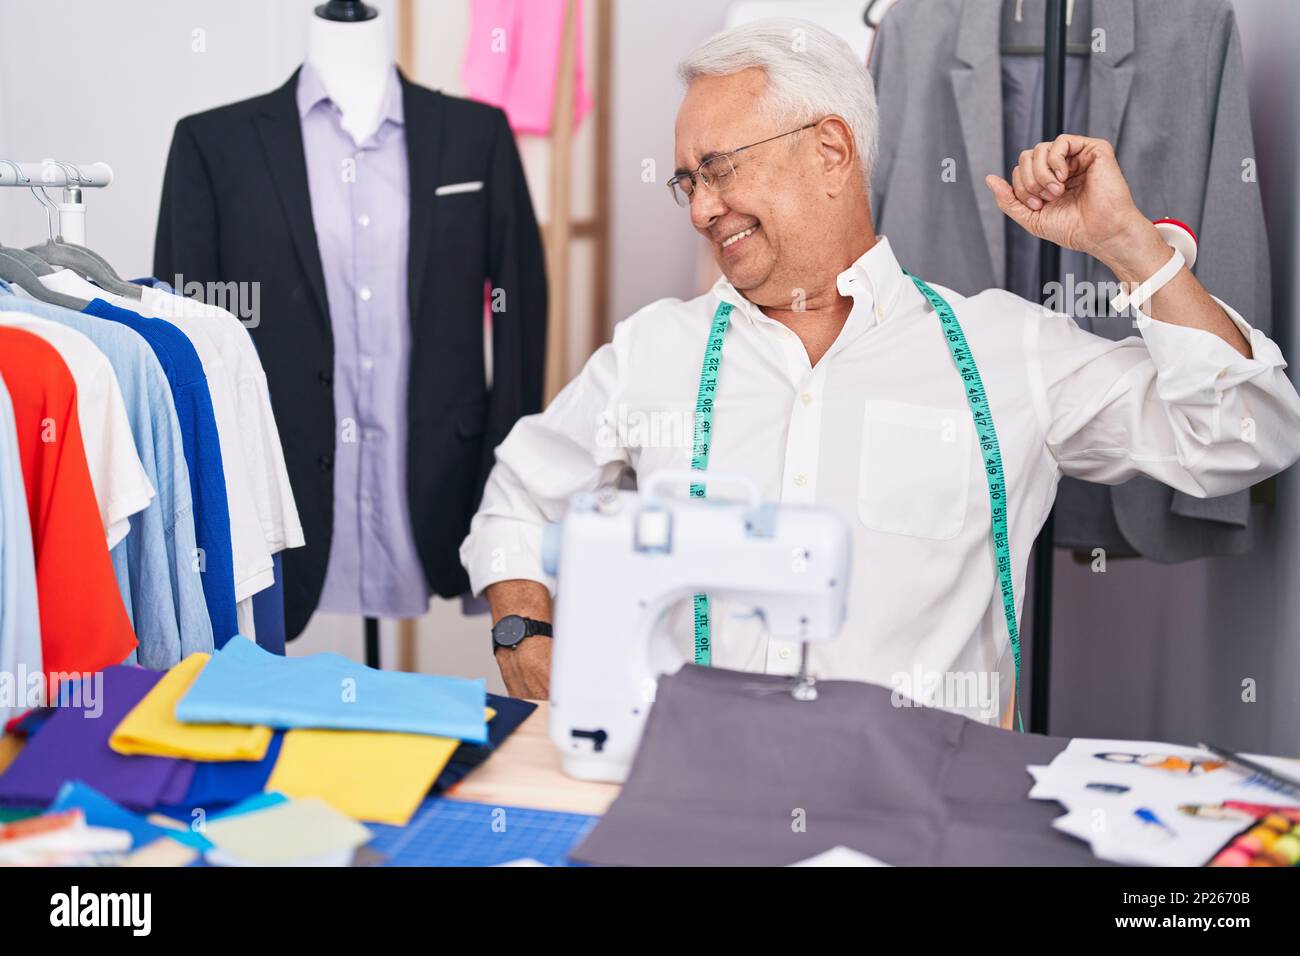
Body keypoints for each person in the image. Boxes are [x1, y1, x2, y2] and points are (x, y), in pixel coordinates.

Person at [459, 19, 1300, 724]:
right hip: (702, 799)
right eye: (688, 181)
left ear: (830, 150)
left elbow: (1245, 433)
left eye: (718, 168)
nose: (702, 206)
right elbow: (523, 492)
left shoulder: (1007, 352)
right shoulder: (656, 351)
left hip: (924, 821)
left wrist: (1127, 246)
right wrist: (520, 638)